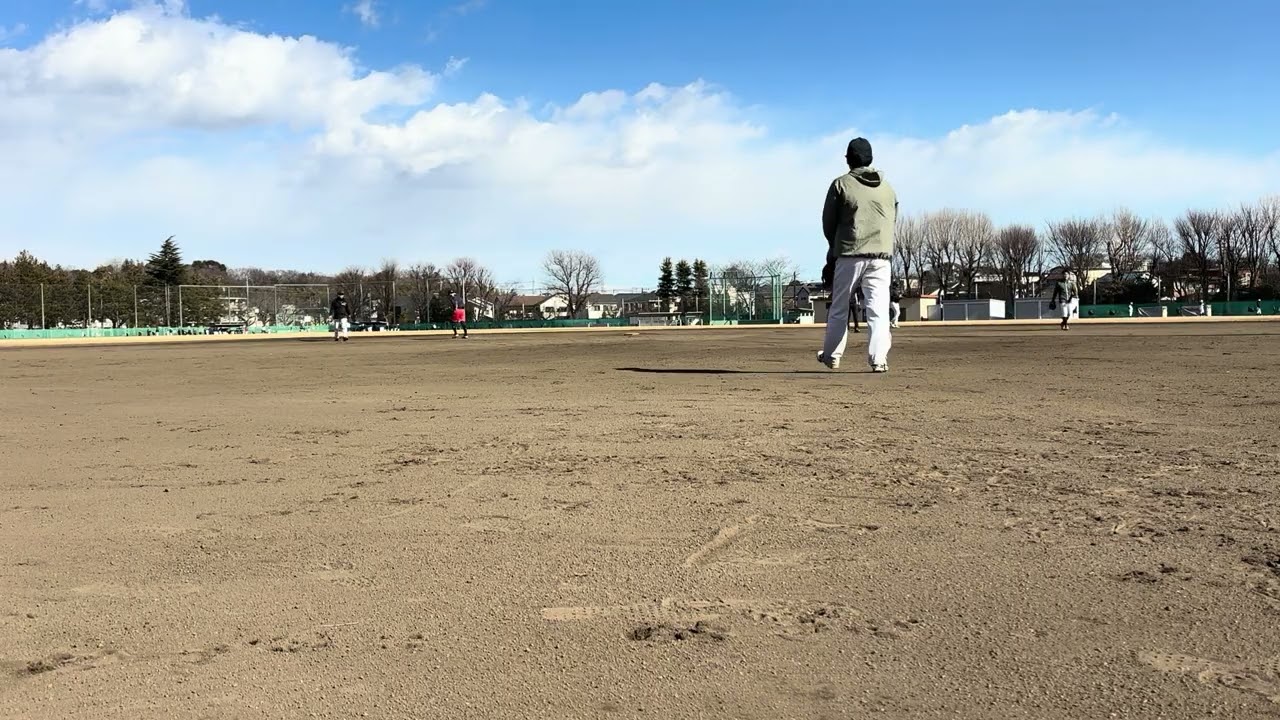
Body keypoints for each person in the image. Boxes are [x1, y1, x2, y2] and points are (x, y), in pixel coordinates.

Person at [817, 137, 898, 373]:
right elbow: (892, 219)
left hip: (850, 253)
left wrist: (833, 248)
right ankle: (878, 359)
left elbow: (828, 223)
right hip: (882, 256)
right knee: (878, 310)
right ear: (871, 158)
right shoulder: (888, 188)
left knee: (840, 307)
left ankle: (832, 355)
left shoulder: (841, 184)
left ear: (848, 159)